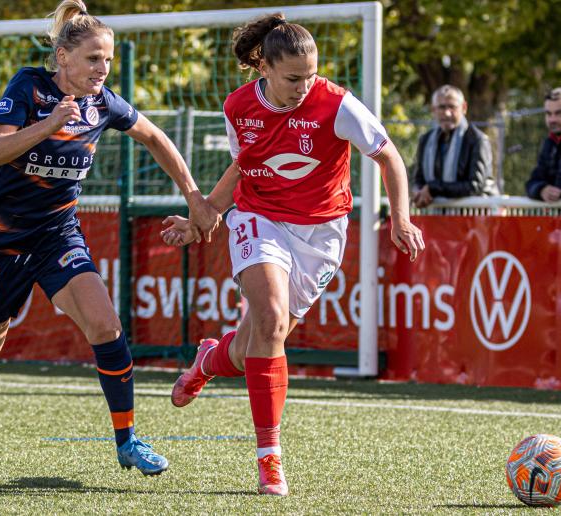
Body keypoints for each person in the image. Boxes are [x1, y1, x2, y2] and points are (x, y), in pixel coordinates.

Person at [0, 0, 221, 479]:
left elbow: (155, 138)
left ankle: (127, 440)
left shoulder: (102, 103)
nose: (102, 68)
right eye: (92, 58)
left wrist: (194, 196)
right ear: (62, 57)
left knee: (106, 326)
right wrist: (47, 124)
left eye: (107, 59)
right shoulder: (29, 87)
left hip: (57, 237)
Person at [159, 13, 425, 496]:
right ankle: (269, 458)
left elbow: (389, 156)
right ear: (264, 67)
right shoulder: (238, 106)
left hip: (322, 234)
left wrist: (401, 217)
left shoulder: (336, 104)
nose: (305, 85)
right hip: (259, 219)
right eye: (293, 77)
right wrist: (205, 213)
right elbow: (246, 165)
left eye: (311, 74)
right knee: (272, 322)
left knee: (253, 345)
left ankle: (208, 362)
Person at [410, 85, 498, 208]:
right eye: (442, 107)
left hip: (476, 217)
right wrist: (418, 192)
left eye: (452, 107)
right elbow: (418, 180)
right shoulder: (425, 140)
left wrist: (433, 188)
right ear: (433, 110)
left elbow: (475, 186)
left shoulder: (478, 140)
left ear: (464, 108)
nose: (447, 113)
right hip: (438, 217)